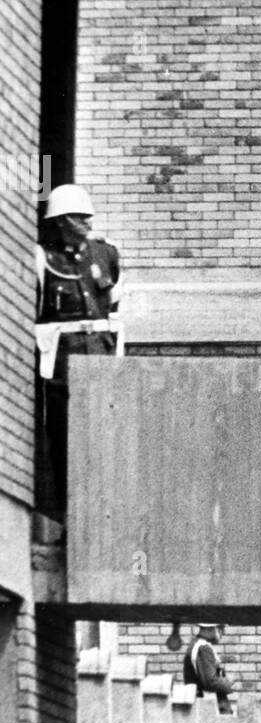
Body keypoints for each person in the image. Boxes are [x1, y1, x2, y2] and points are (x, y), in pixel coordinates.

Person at [35, 184, 123, 520]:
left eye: (88, 215)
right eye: (78, 216)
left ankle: (102, 509)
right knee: (65, 441)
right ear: (59, 221)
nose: (88, 221)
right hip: (62, 368)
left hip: (100, 360)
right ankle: (69, 512)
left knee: (103, 436)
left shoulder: (105, 254)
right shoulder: (44, 259)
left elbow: (113, 307)